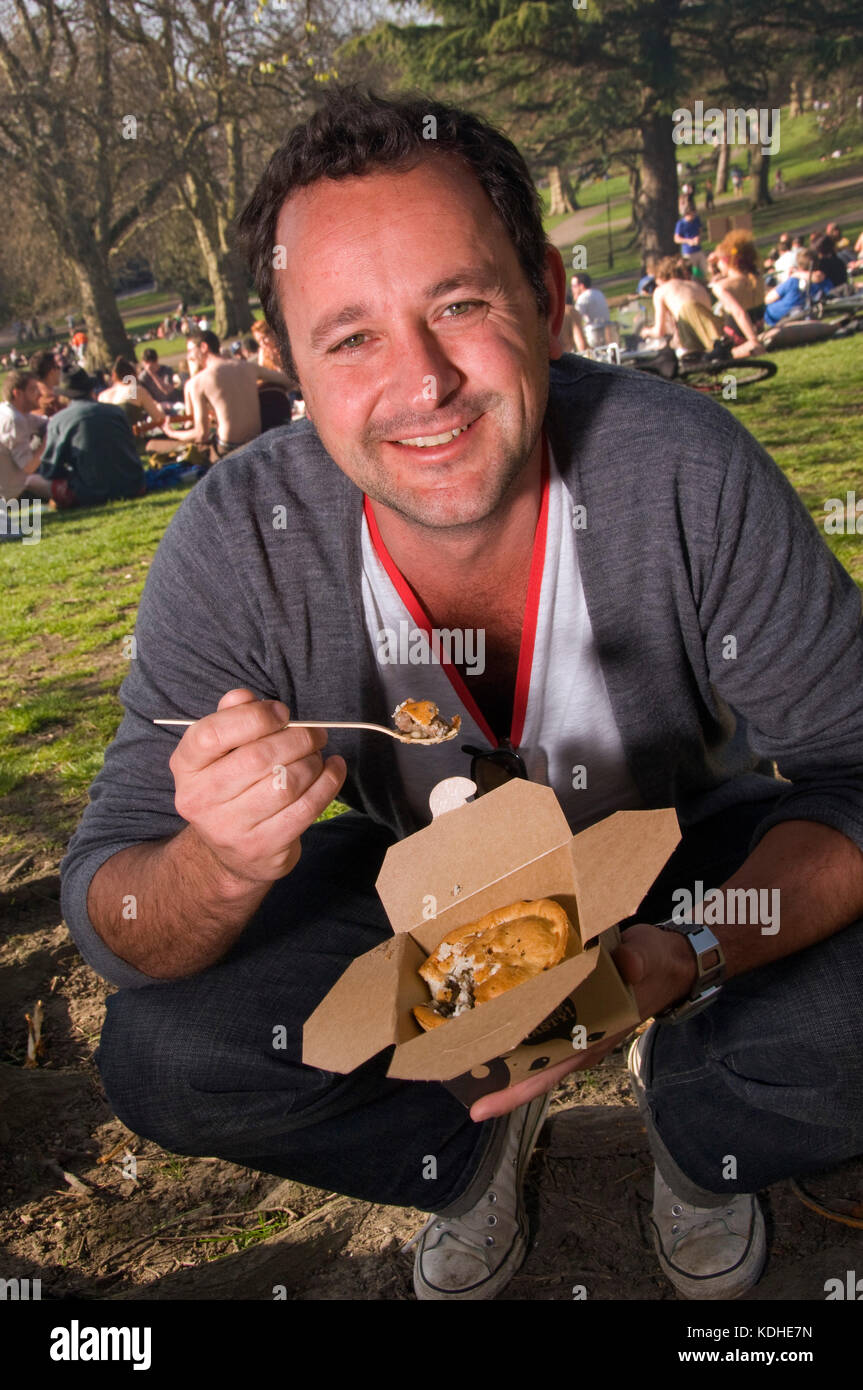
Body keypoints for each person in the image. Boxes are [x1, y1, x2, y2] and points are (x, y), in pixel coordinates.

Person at [61, 87, 863, 1307]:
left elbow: (853, 767)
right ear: (283, 362)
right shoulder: (239, 542)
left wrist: (686, 948)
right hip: (419, 887)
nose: (422, 383)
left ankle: (705, 1134)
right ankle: (468, 1145)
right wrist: (217, 863)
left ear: (544, 296)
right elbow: (107, 902)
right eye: (351, 338)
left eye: (459, 304)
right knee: (172, 1055)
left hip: (692, 851)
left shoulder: (682, 469)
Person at [160, 328, 292, 458]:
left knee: (161, 446)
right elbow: (289, 382)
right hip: (257, 441)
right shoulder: (247, 367)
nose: (189, 356)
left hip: (229, 448)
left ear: (204, 347)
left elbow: (201, 434)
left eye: (190, 351)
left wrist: (172, 433)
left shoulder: (198, 382)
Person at [37, 367, 146, 509]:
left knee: (32, 480)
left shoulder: (59, 421)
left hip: (92, 494)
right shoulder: (116, 411)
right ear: (90, 389)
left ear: (64, 395)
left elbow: (49, 470)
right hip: (134, 485)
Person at [643, 257, 761, 358]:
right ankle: (750, 348)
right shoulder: (696, 286)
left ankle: (749, 349)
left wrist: (647, 331)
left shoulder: (661, 290)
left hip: (692, 327)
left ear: (661, 277)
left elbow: (660, 330)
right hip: (714, 327)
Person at [0, 371, 52, 501]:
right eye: (33, 389)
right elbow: (28, 467)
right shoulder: (14, 419)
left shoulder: (10, 411)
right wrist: (46, 443)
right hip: (12, 495)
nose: (40, 394)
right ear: (17, 393)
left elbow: (47, 422)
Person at [98, 356, 166, 442]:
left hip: (109, 445)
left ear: (114, 376)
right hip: (131, 444)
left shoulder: (102, 396)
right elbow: (159, 419)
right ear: (133, 375)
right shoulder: (135, 390)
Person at [709, 231, 765, 328]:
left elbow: (739, 313)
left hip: (736, 336)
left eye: (719, 261)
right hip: (759, 329)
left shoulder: (722, 287)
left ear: (726, 261)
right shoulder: (758, 277)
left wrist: (752, 339)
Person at [762, 250, 829, 326]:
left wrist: (792, 276)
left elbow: (768, 299)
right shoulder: (820, 280)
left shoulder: (793, 281)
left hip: (778, 314)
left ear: (799, 265)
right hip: (800, 311)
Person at [569, 273, 611, 347]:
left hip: (594, 334)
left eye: (574, 286)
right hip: (608, 332)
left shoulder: (583, 298)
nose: (572, 289)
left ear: (581, 286)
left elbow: (575, 319)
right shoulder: (598, 292)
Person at [27, 350, 67, 418]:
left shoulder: (28, 397)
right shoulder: (55, 402)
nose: (60, 370)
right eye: (58, 367)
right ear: (52, 371)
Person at [673, 198, 707, 275]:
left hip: (698, 250)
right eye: (692, 214)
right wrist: (688, 241)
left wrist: (698, 237)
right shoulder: (681, 224)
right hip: (688, 252)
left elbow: (700, 230)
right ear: (687, 214)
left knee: (705, 270)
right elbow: (676, 239)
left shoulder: (696, 220)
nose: (693, 215)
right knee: (693, 273)